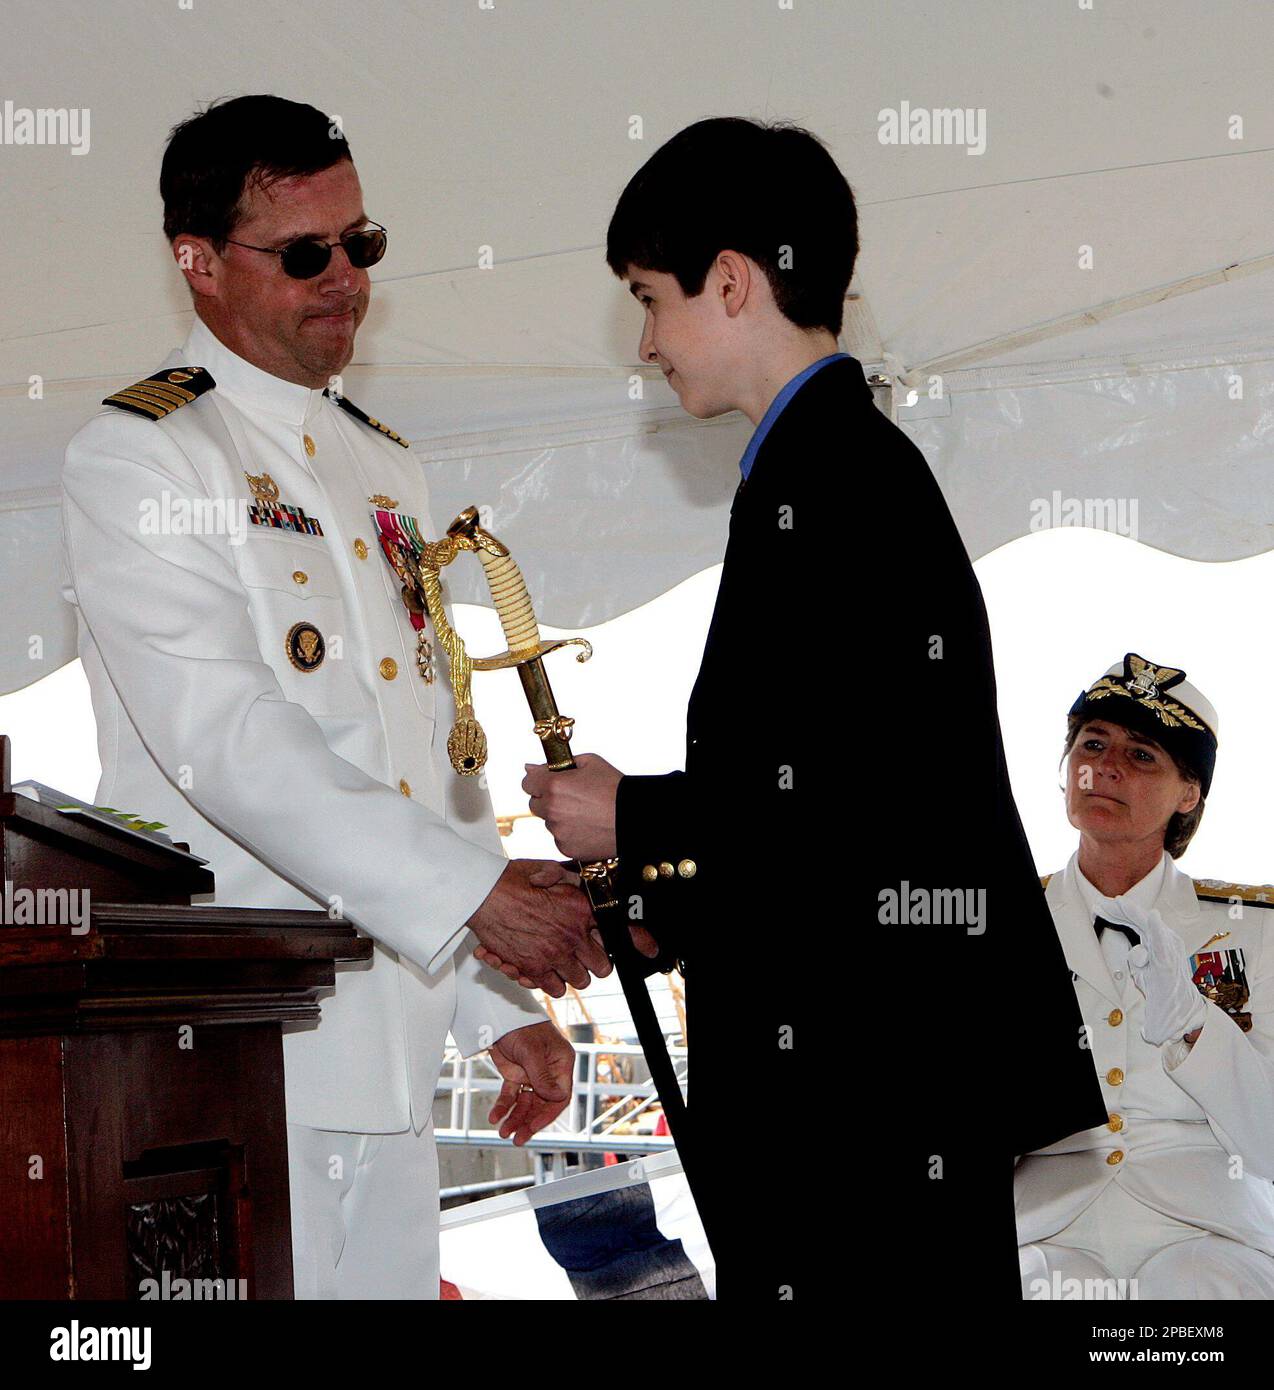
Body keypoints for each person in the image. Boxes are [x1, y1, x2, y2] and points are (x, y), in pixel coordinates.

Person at [501, 116, 1107, 1300]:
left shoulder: (834, 478)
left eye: (646, 296)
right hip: (867, 1070)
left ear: (728, 282)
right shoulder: (826, 467)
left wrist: (637, 816)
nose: (642, 342)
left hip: (868, 1089)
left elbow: (855, 800)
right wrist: (665, 910)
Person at [59, 94, 611, 1300]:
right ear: (195, 262)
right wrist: (475, 901)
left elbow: (430, 750)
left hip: (393, 1049)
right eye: (302, 252)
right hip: (239, 1057)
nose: (344, 278)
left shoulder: (382, 463)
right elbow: (228, 739)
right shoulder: (145, 455)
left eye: (360, 243)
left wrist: (486, 996)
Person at [1018, 652, 1274, 1299]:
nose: (1104, 766)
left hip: (1208, 1230)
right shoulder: (1007, 922)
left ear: (1188, 793)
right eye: (1092, 743)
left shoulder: (1255, 928)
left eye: (1141, 756)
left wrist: (1195, 1027)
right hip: (1044, 1229)